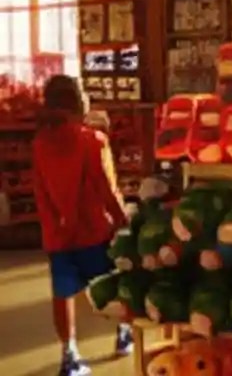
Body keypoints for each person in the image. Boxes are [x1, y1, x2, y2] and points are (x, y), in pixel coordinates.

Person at [32, 75, 133, 376]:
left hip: (58, 233)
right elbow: (106, 188)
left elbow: (40, 191)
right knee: (114, 283)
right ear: (79, 102)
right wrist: (122, 221)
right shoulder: (93, 140)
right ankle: (124, 333)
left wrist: (53, 225)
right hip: (94, 230)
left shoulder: (39, 144)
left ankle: (69, 354)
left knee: (63, 293)